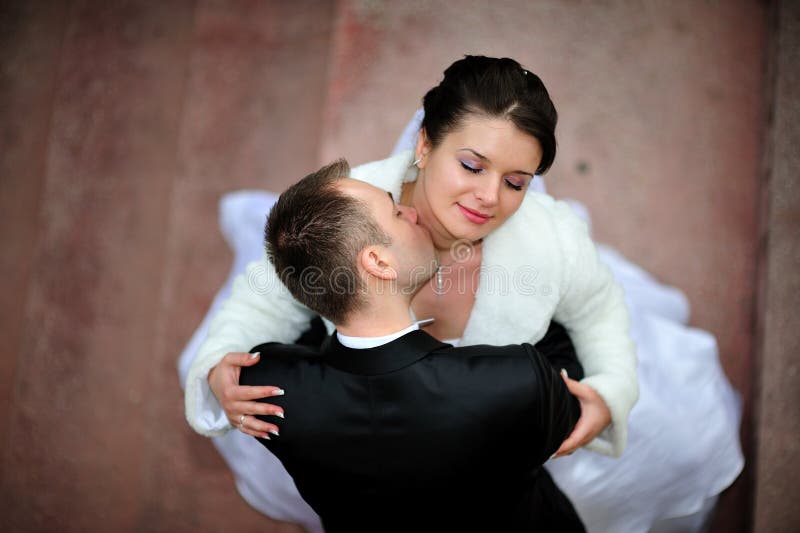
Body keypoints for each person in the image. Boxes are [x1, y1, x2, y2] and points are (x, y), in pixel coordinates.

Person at [179, 56, 743, 532]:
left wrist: (611, 389)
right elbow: (259, 300)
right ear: (425, 144)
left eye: (516, 182)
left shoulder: (551, 239)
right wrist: (219, 369)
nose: (489, 198)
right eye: (472, 166)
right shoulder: (351, 212)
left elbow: (598, 312)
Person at [238, 158, 586, 532]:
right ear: (378, 261)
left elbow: (293, 349)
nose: (413, 212)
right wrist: (540, 309)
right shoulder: (520, 379)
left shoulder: (265, 383)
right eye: (396, 212)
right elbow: (571, 409)